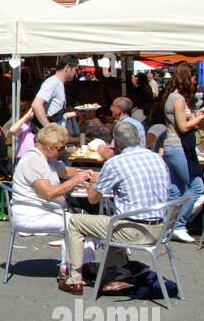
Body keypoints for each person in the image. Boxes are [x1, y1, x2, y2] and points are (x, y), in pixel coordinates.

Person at [61, 121, 171, 294]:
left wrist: (96, 179)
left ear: (116, 144)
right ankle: (122, 273)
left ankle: (74, 279)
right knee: (115, 219)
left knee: (75, 222)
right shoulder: (157, 158)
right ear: (140, 138)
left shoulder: (116, 163)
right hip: (160, 228)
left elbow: (93, 199)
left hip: (133, 229)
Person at [11, 123, 95, 283]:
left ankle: (81, 264)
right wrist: (75, 181)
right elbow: (48, 193)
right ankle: (68, 268)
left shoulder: (47, 159)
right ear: (48, 146)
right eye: (60, 148)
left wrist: (86, 173)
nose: (62, 151)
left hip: (49, 210)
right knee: (79, 224)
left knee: (92, 222)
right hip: (32, 214)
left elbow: (65, 171)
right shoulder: (33, 160)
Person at [163, 62, 204, 242]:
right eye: (194, 77)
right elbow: (184, 126)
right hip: (178, 146)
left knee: (175, 190)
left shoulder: (175, 98)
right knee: (197, 186)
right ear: (186, 78)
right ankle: (177, 225)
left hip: (172, 146)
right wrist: (202, 115)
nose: (195, 81)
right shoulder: (178, 99)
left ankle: (165, 228)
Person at [32, 55, 79, 129]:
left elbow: (56, 115)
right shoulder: (53, 82)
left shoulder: (58, 83)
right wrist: (49, 129)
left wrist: (78, 113)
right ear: (67, 67)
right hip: (49, 138)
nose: (76, 74)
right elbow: (36, 105)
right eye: (75, 70)